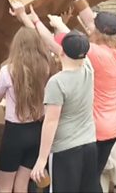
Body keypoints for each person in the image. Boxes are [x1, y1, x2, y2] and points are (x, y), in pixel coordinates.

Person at [64, 0, 116, 176]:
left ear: (98, 33)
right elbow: (90, 20)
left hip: (97, 128)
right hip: (114, 126)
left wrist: (52, 24)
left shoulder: (97, 54)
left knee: (88, 179)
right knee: (93, 176)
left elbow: (70, 42)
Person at [30, 30, 99, 193]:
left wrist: (41, 159)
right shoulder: (88, 69)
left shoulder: (57, 82)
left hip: (65, 150)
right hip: (89, 144)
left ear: (61, 51)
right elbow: (70, 48)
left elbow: (51, 121)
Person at [0, 7, 54, 193]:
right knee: (22, 186)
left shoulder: (8, 70)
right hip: (36, 130)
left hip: (14, 132)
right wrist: (26, 18)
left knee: (4, 187)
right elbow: (46, 47)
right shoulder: (46, 67)